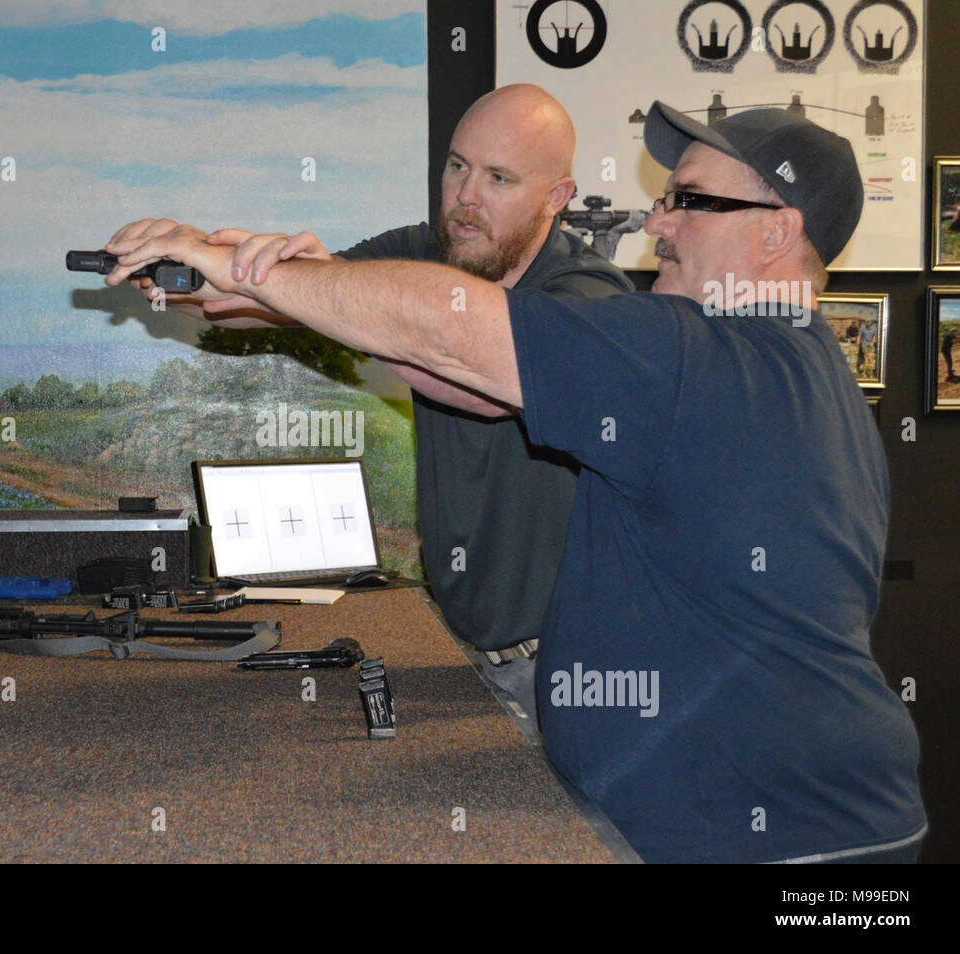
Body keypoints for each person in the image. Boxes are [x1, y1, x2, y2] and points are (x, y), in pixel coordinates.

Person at [105, 101, 928, 863]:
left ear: (779, 234)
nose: (657, 220)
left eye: (689, 202)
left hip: (782, 843)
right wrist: (252, 278)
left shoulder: (692, 353)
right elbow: (461, 371)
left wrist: (252, 272)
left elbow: (458, 342)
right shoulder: (785, 356)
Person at [109, 85, 633, 742]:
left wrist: (310, 289)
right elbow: (267, 301)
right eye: (457, 166)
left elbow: (476, 367)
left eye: (498, 177)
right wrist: (183, 262)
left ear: (557, 197)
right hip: (466, 655)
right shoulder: (424, 252)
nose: (466, 195)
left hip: (565, 674)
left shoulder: (588, 299)